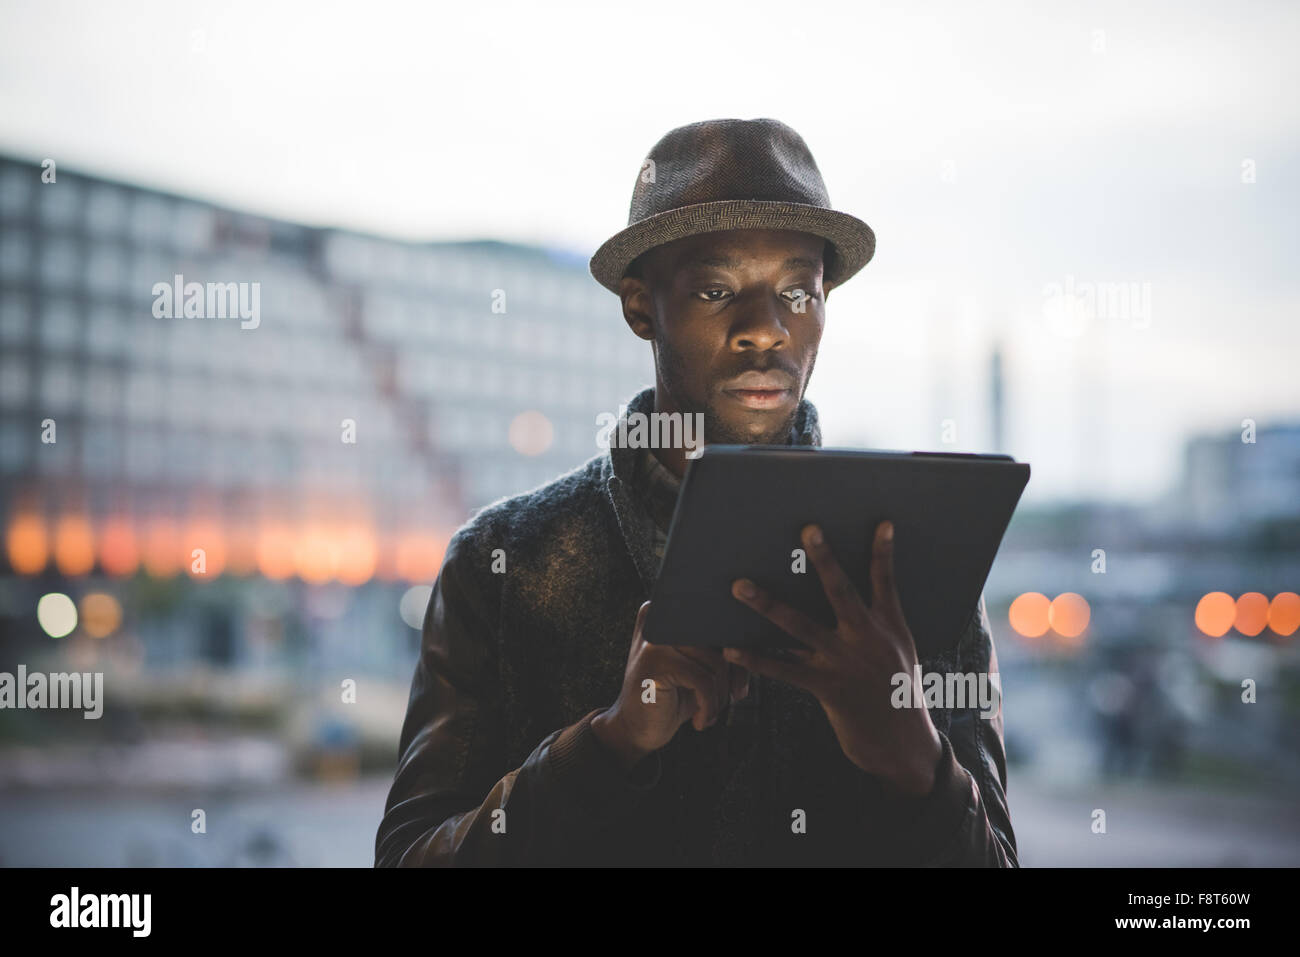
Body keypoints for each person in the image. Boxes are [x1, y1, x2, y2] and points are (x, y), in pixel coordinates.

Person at [375, 118, 1017, 866]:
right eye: (717, 289)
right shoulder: (502, 562)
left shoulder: (911, 563)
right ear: (640, 306)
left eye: (796, 292)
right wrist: (609, 742)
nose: (765, 330)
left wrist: (916, 757)